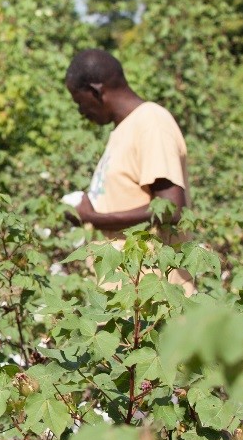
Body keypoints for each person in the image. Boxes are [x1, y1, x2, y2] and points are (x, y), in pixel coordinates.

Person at [63, 49, 194, 293]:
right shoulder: (124, 129)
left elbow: (172, 209)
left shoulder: (151, 123)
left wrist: (93, 218)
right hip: (128, 300)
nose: (81, 112)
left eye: (80, 102)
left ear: (95, 91)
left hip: (153, 301)